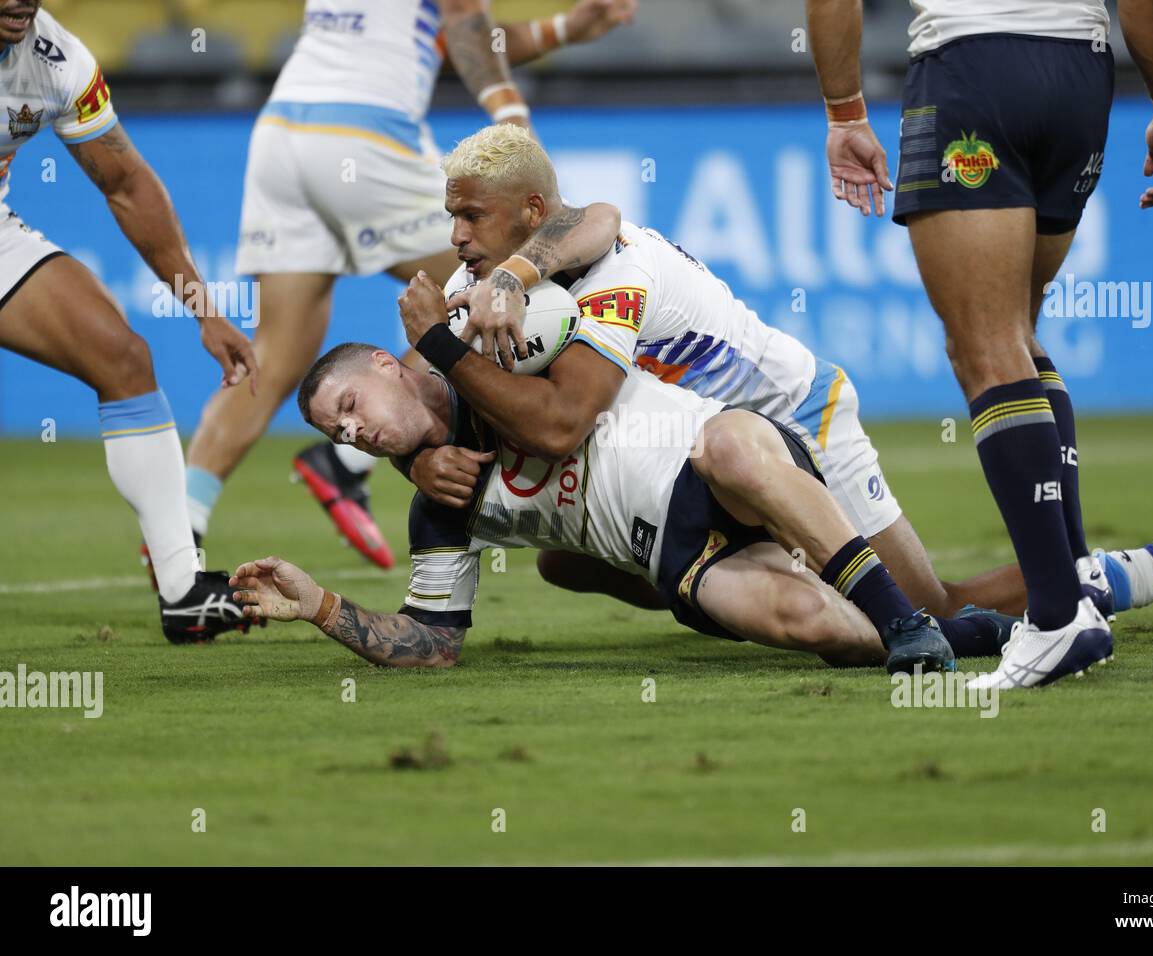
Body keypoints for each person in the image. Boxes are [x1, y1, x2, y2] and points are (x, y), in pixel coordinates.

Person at [397, 125, 1153, 662]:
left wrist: (485, 297)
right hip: (720, 450)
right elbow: (590, 227)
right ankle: (751, 592)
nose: (456, 234)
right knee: (564, 560)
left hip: (799, 416)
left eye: (471, 216)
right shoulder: (550, 263)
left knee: (929, 606)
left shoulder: (610, 271)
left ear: (531, 211)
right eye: (452, 215)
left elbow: (561, 423)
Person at [804, 0, 1153, 687]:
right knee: (1015, 330)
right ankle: (1074, 586)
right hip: (1080, 76)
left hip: (971, 67)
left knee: (983, 348)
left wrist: (844, 113)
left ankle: (1055, 617)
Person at [232, 335, 1008, 672]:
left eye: (351, 403)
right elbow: (432, 643)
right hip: (676, 554)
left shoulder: (499, 346)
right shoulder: (441, 503)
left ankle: (908, 619)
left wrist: (441, 334)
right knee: (809, 626)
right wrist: (322, 605)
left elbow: (588, 235)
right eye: (338, 429)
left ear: (385, 364)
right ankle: (964, 638)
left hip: (706, 450)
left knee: (734, 451)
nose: (353, 429)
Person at [181, 0, 636, 567]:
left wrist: (567, 28)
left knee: (272, 356)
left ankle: (180, 545)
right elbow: (465, 20)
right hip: (362, 131)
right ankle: (348, 462)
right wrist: (511, 117)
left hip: (282, 135)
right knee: (508, 279)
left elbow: (456, 42)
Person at [0, 0, 257, 641]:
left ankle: (183, 592)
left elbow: (126, 184)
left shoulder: (57, 62)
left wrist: (203, 308)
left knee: (124, 357)